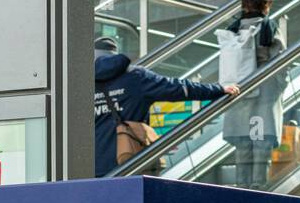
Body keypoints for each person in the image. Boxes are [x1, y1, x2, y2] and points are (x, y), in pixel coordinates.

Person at [94, 38, 237, 178]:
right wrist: (218, 89)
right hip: (130, 162)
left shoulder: (79, 85)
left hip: (89, 166)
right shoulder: (136, 77)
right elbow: (179, 88)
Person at [221, 0, 286, 189]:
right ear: (265, 6)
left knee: (242, 142)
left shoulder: (233, 29)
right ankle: (259, 186)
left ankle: (241, 187)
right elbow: (280, 61)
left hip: (239, 88)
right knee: (262, 141)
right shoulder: (269, 26)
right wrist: (281, 86)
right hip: (264, 88)